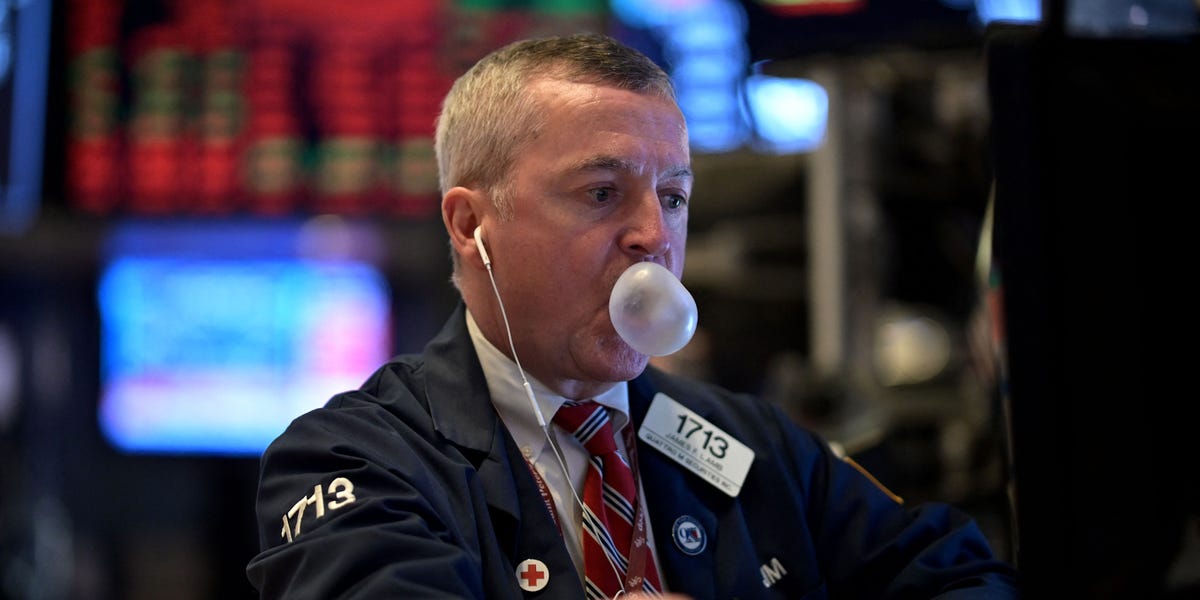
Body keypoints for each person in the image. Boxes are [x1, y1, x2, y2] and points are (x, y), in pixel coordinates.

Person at [246, 33, 1019, 599]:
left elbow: (965, 579)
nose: (655, 234)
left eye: (673, 196)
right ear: (470, 226)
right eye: (602, 193)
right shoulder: (355, 461)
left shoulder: (751, 441)